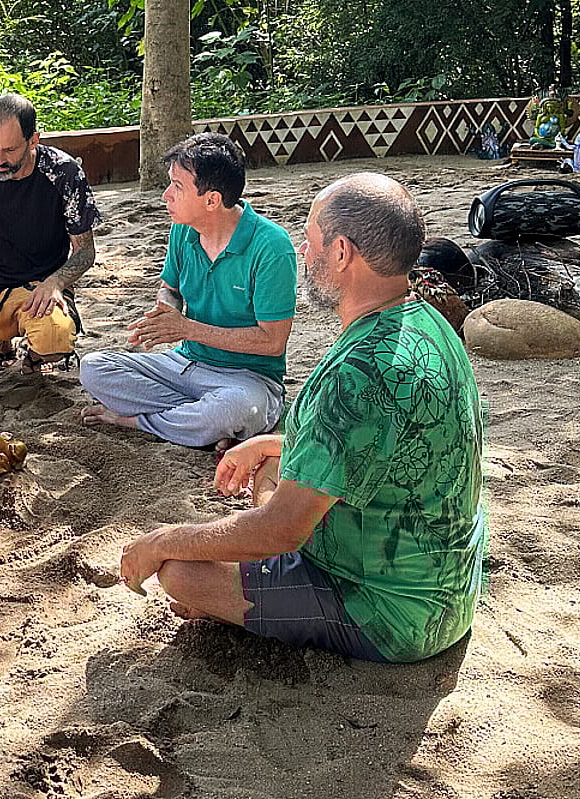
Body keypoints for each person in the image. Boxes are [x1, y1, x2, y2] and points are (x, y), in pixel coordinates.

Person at [118, 173, 487, 663]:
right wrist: (273, 445)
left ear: (341, 253)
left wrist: (162, 540)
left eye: (310, 240)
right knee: (270, 459)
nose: (303, 252)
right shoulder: (427, 318)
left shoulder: (359, 372)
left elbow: (283, 531)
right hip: (448, 583)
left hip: (392, 614)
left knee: (180, 572)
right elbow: (380, 442)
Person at [79, 133, 297, 451]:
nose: (166, 195)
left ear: (211, 200)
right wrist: (166, 310)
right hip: (185, 365)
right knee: (94, 368)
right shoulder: (183, 228)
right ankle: (201, 425)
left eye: (177, 187)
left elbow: (272, 341)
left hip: (248, 379)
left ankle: (136, 421)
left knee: (232, 408)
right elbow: (170, 289)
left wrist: (186, 328)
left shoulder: (272, 247)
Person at [0, 92, 102, 401]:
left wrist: (55, 283)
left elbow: (85, 251)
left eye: (9, 149)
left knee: (55, 341)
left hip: (39, 285)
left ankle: (35, 356)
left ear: (33, 139)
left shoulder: (63, 172)